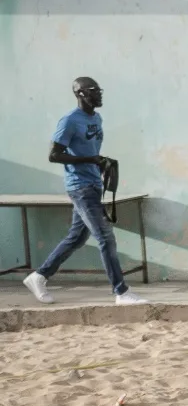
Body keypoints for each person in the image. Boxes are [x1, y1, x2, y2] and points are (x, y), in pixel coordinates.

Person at [23, 75, 143, 306]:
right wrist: (91, 160)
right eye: (93, 90)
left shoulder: (97, 118)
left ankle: (39, 276)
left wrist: (101, 163)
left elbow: (89, 151)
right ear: (80, 93)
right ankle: (121, 292)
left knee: (76, 238)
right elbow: (54, 155)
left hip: (93, 184)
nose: (98, 94)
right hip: (80, 186)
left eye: (99, 90)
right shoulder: (69, 120)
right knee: (105, 237)